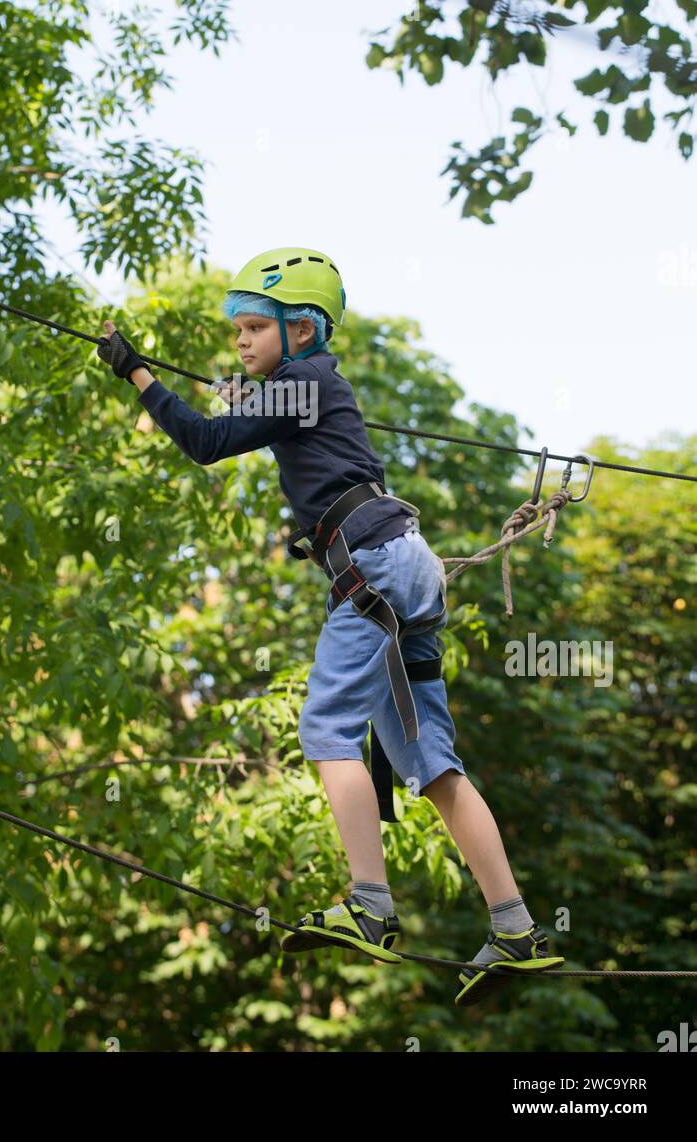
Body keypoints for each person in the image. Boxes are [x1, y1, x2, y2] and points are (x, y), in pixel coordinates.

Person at [96, 246, 563, 1005]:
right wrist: (208, 385)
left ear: (304, 330)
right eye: (238, 329)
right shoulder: (311, 387)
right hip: (407, 565)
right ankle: (517, 927)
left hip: (372, 566)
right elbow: (240, 409)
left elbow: (209, 441)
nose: (242, 341)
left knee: (325, 729)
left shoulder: (303, 380)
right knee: (432, 763)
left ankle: (369, 907)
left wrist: (137, 374)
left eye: (256, 326)